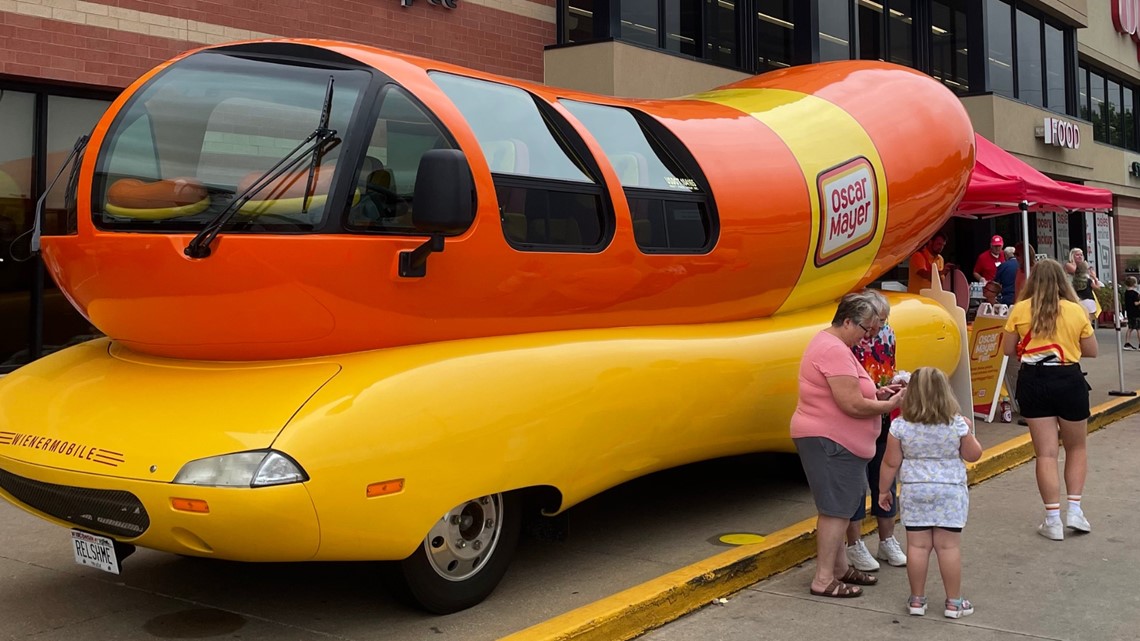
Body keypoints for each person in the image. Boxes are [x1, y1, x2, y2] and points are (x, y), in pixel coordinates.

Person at [791, 292, 906, 598]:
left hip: (836, 440)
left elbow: (854, 396)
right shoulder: (834, 350)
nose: (867, 336)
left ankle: (838, 569)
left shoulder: (834, 346)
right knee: (835, 511)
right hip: (832, 441)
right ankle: (824, 578)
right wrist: (889, 404)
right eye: (865, 329)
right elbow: (851, 404)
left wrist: (879, 397)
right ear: (847, 321)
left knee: (838, 509)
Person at [1002, 259, 1098, 541]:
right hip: (1068, 379)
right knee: (1076, 447)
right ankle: (1076, 511)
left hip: (1033, 381)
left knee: (1045, 453)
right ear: (1062, 281)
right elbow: (1091, 350)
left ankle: (1053, 518)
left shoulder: (1019, 309)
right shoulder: (1075, 310)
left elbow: (1008, 349)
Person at [877, 367, 983, 619]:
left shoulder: (900, 427)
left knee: (917, 546)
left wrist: (883, 491)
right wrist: (967, 429)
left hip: (916, 491)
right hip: (949, 492)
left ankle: (917, 600)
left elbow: (890, 463)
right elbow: (973, 454)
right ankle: (954, 603)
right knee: (948, 548)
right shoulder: (956, 423)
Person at [845, 291, 907, 571]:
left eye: (884, 320)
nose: (881, 325)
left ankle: (886, 539)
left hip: (883, 409)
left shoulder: (887, 334)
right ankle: (854, 544)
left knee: (885, 477)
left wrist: (894, 383)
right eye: (877, 320)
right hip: (859, 411)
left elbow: (886, 365)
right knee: (857, 481)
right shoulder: (849, 339)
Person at [1065, 248, 1101, 324]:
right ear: (1072, 256)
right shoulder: (1069, 265)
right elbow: (1079, 272)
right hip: (1072, 293)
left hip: (1082, 295)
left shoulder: (1084, 270)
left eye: (1081, 255)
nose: (1080, 256)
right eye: (1077, 255)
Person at [1124, 276, 1140, 350]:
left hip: (1129, 313)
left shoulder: (1126, 293)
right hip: (1136, 313)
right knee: (1138, 329)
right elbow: (1136, 303)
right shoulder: (1135, 293)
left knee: (1130, 328)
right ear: (1134, 284)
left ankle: (1127, 343)